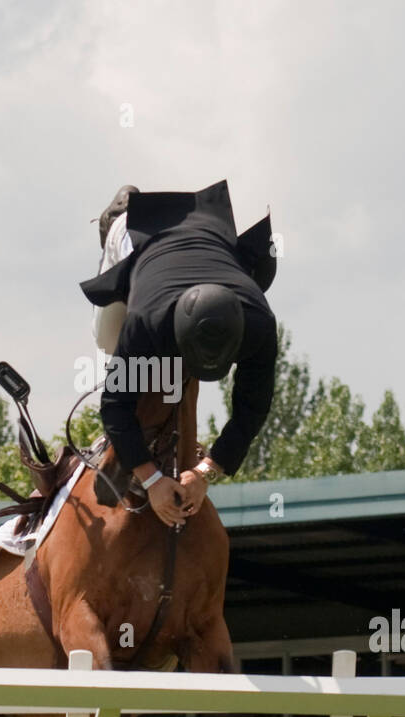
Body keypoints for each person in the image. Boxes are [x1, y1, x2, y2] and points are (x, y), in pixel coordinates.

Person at [81, 181, 278, 526]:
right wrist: (151, 479)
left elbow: (253, 408)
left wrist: (206, 471)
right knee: (106, 341)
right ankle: (118, 215)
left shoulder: (259, 325)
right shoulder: (144, 322)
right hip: (138, 237)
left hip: (210, 231)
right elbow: (115, 405)